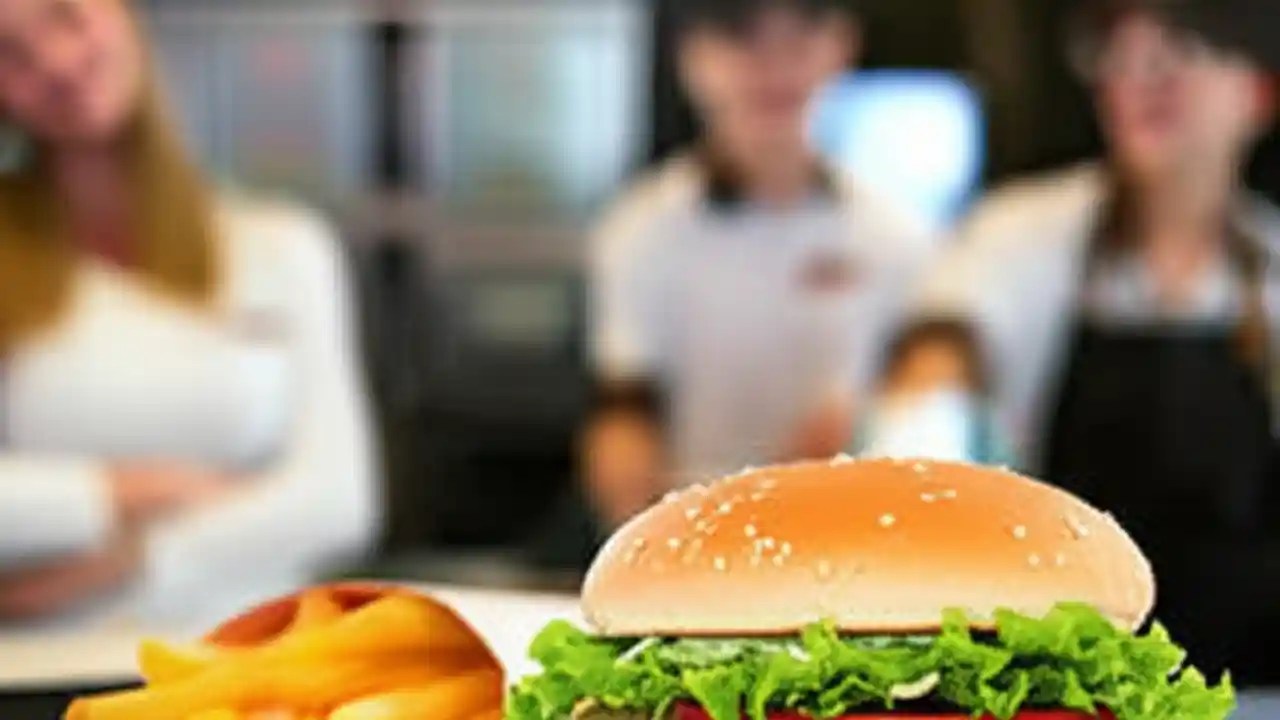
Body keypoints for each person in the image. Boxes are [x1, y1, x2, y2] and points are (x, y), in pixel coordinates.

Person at [915, 0, 1280, 683]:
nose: (1147, 79)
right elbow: (937, 357)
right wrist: (921, 419)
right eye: (1123, 55)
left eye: (1185, 50)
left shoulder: (1272, 267)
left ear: (1258, 92)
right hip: (1055, 681)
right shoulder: (1018, 237)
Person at [0, 0, 378, 627]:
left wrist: (132, 556)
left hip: (258, 664)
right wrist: (133, 491)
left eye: (64, 17)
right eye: (10, 54)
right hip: (40, 670)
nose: (58, 63)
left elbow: (340, 498)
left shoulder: (284, 245)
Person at [583, 0, 934, 529]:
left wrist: (878, 424)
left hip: (849, 532)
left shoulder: (896, 235)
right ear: (692, 59)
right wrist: (633, 500)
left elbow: (924, 403)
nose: (775, 66)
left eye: (800, 38)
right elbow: (624, 408)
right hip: (691, 532)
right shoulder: (639, 230)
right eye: (743, 38)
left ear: (841, 47)